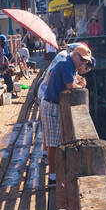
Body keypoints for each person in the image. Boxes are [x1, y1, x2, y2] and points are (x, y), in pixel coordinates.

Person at [40, 42, 94, 186]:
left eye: (85, 61)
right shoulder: (66, 64)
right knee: (53, 144)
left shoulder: (69, 65)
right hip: (52, 106)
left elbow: (72, 80)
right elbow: (71, 85)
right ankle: (52, 177)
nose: (83, 63)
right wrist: (80, 84)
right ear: (75, 55)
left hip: (53, 105)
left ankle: (54, 174)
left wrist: (77, 82)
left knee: (54, 142)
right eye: (82, 60)